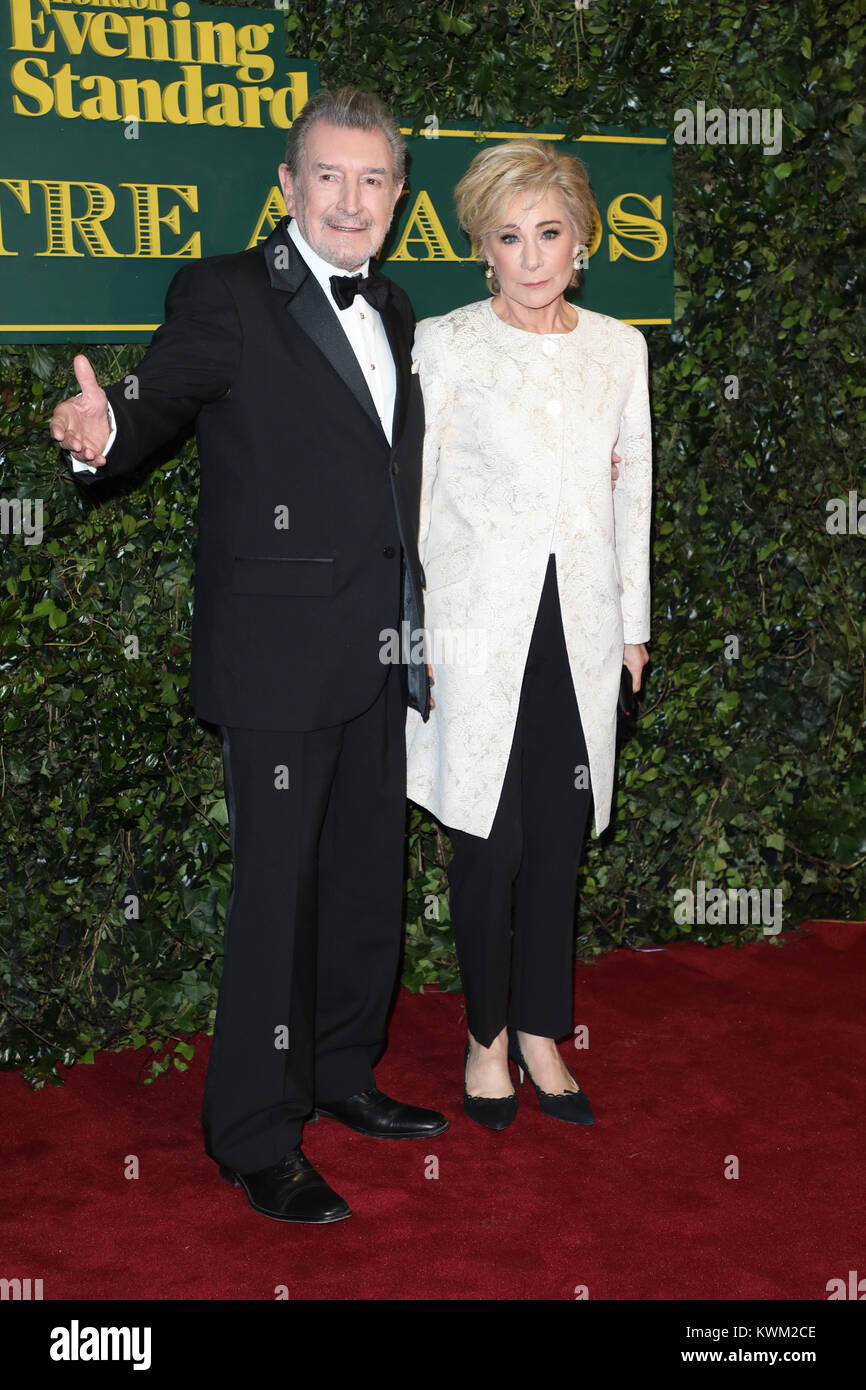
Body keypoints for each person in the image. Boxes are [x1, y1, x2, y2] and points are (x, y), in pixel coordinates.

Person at [50, 87, 448, 1224]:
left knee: (368, 876)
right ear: (286, 186)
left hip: (378, 646)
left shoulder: (402, 307)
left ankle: (338, 1072)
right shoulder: (224, 293)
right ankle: (252, 1133)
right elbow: (156, 398)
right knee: (275, 898)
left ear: (396, 199)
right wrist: (105, 430)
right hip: (277, 658)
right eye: (328, 175)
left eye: (373, 180)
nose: (350, 199)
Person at [405, 139, 652, 1129]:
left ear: (581, 239)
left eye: (548, 232)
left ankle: (543, 1030)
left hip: (581, 632)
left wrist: (633, 625)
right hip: (475, 629)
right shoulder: (443, 343)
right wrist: (407, 625)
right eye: (509, 237)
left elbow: (631, 486)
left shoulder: (618, 348)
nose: (533, 254)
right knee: (486, 844)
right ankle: (484, 1037)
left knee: (556, 841)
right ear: (482, 250)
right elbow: (411, 497)